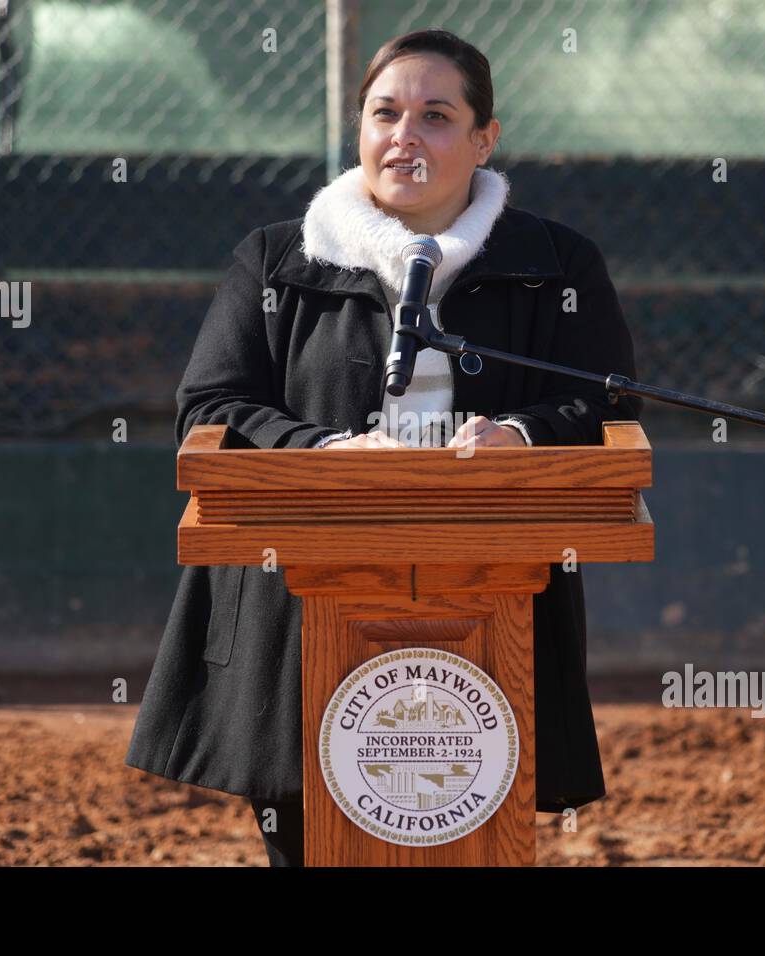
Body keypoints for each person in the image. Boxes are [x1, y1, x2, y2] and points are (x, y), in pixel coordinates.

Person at [125, 28, 643, 868]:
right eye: (385, 113)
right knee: (311, 822)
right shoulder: (278, 259)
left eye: (436, 116)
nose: (405, 135)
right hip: (298, 606)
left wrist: (521, 434)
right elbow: (211, 405)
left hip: (492, 594)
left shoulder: (557, 264)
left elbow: (604, 395)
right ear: (359, 129)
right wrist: (325, 452)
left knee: (462, 816)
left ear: (484, 139)